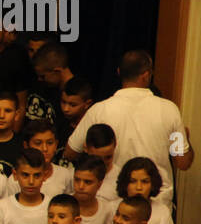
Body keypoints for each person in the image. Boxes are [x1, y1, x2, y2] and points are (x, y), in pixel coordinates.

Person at [65, 50, 193, 207]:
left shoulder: (99, 110)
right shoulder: (169, 110)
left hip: (112, 201)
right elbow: (182, 161)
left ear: (118, 72)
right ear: (147, 74)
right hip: (157, 202)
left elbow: (70, 152)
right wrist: (187, 139)